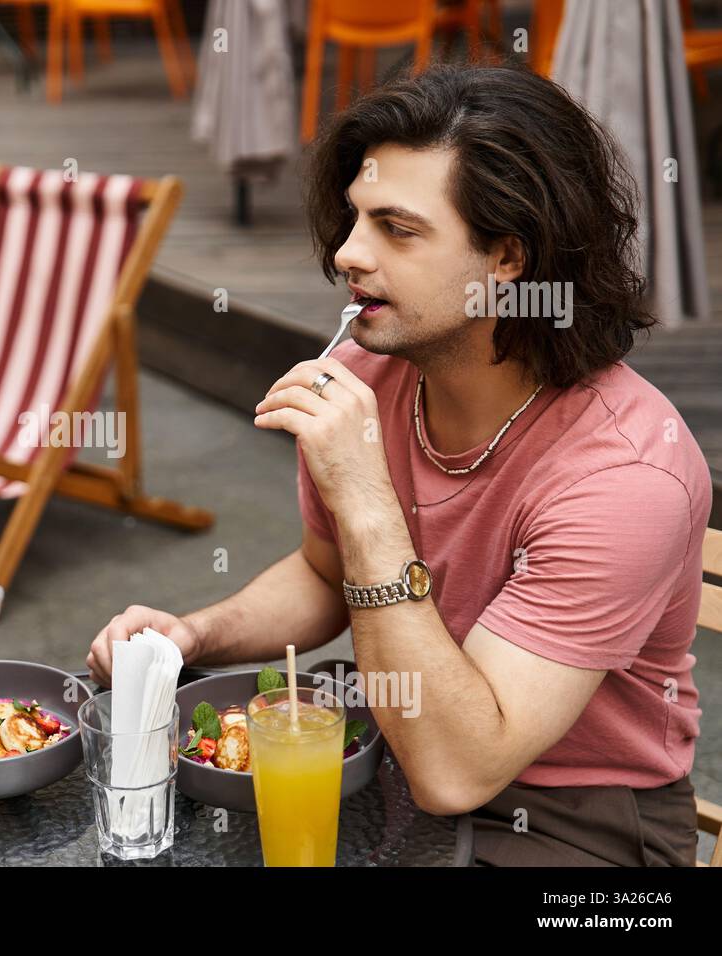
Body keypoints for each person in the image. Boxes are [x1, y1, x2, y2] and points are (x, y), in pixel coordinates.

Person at [86, 65, 710, 867]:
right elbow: (323, 574)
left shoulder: (624, 478)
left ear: (508, 259)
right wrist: (194, 634)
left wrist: (368, 498)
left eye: (397, 228)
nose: (348, 253)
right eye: (353, 218)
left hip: (571, 821)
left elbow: (458, 772)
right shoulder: (377, 368)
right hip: (392, 747)